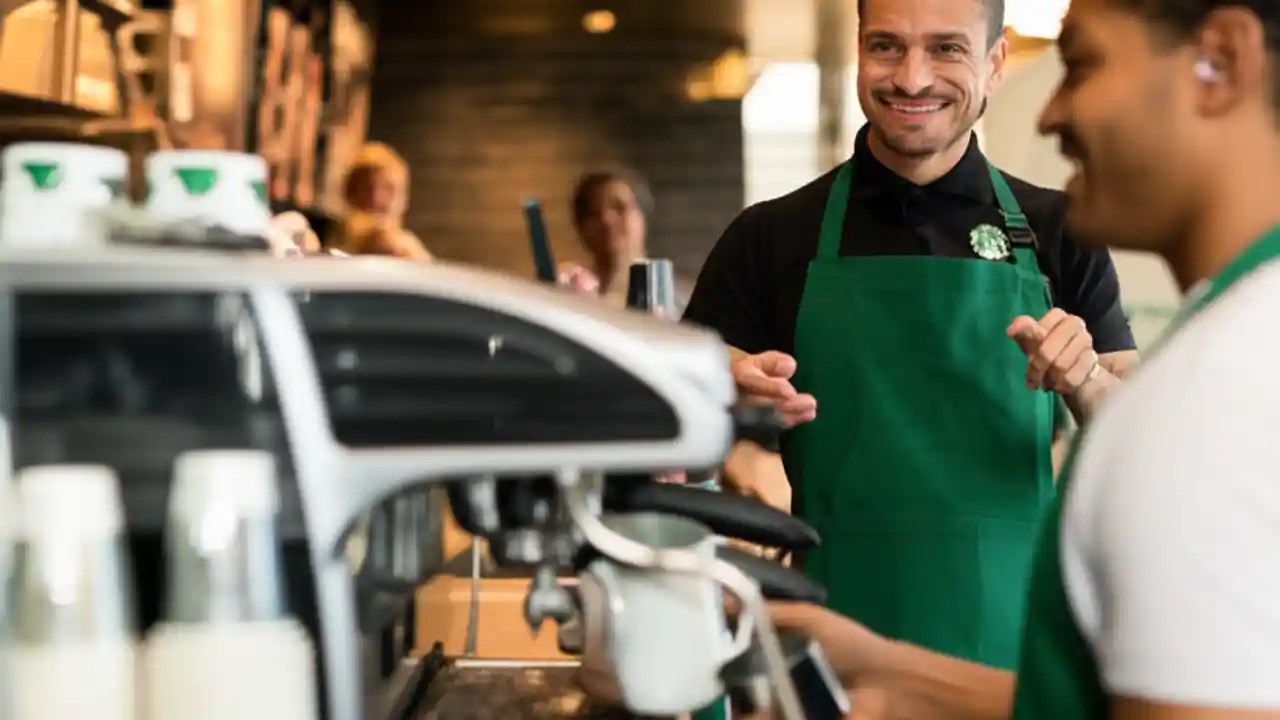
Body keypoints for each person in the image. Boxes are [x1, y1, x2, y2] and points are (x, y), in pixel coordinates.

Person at [767, 0, 1280, 717]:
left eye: (1085, 63)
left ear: (1220, 62)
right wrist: (893, 679)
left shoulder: (1217, 388)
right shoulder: (1230, 348)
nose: (1049, 116)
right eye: (887, 47)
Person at [682, 0, 1140, 672]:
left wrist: (1086, 379)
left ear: (995, 62)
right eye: (887, 46)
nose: (912, 78)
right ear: (860, 49)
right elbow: (675, 425)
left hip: (1008, 643)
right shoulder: (769, 235)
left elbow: (1134, 436)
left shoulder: (1061, 230)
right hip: (829, 637)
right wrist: (722, 389)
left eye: (947, 49)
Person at [558, 168, 655, 307]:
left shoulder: (678, 304)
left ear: (642, 218)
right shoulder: (570, 296)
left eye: (619, 207)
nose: (606, 219)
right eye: (593, 213)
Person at [330, 141, 433, 261]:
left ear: (404, 199)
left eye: (389, 189)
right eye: (367, 188)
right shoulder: (322, 248)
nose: (377, 198)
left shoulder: (412, 251)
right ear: (349, 194)